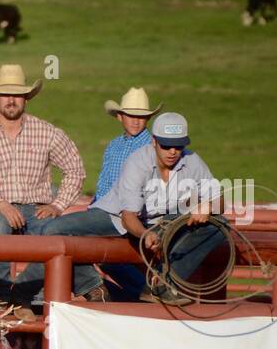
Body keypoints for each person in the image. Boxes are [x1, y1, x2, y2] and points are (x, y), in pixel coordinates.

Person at [15, 86, 162, 303]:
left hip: (128, 213)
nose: (136, 121)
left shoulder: (151, 147)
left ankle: (20, 289)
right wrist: (92, 211)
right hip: (107, 211)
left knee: (55, 230)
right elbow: (104, 185)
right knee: (101, 256)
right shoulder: (114, 146)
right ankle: (134, 294)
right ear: (120, 117)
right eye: (131, 115)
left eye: (141, 117)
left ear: (148, 119)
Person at [0, 64, 85, 304]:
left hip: (35, 206)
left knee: (55, 233)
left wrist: (58, 205)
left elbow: (75, 169)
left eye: (17, 94)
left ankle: (26, 290)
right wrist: (0, 203)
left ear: (26, 99)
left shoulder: (46, 132)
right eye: (6, 94)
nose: (11, 100)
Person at [95, 112, 224, 306]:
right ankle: (150, 287)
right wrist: (145, 233)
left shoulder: (192, 160)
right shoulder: (137, 161)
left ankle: (163, 284)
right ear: (154, 141)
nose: (173, 151)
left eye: (179, 146)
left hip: (158, 222)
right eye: (166, 145)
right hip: (128, 220)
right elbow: (127, 216)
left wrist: (207, 205)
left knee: (220, 224)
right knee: (72, 234)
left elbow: (220, 201)